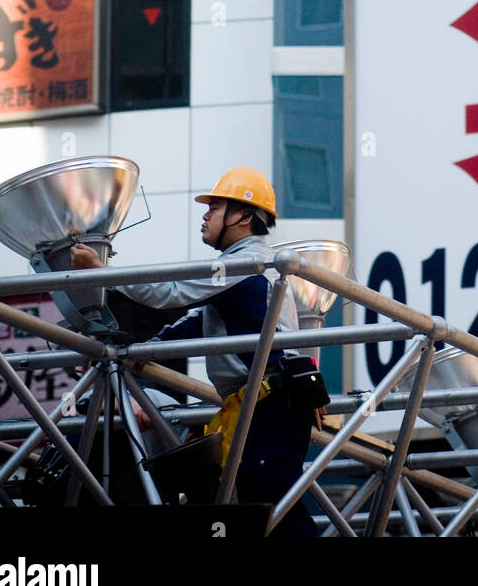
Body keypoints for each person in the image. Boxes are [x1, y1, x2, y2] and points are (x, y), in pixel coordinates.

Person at [69, 167, 318, 537]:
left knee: (275, 512)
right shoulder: (244, 269)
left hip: (270, 406)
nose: (205, 215)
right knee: (259, 506)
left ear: (243, 216)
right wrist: (149, 349)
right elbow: (198, 321)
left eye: (215, 207)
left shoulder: (246, 264)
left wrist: (102, 272)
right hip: (265, 404)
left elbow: (169, 292)